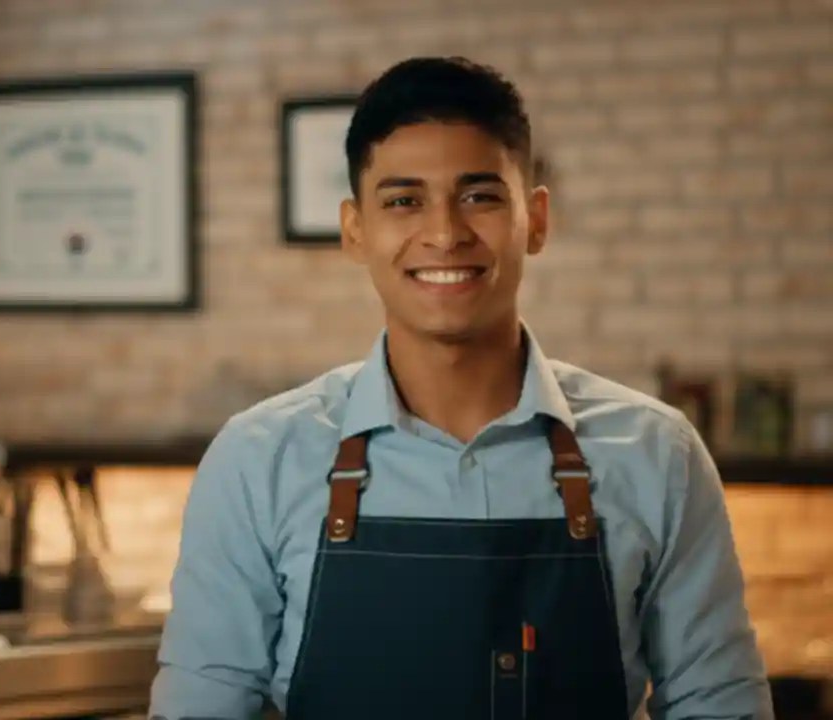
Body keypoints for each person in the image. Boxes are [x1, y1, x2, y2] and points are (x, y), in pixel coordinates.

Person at [149, 56, 773, 719]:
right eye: (403, 201)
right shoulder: (256, 459)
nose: (445, 234)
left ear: (535, 220)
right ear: (355, 228)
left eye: (479, 195)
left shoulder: (658, 453)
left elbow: (720, 706)